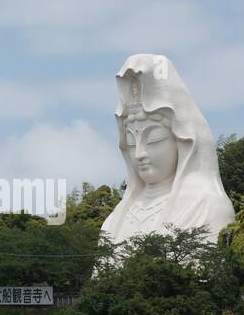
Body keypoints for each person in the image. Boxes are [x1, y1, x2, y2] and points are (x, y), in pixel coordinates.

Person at [100, 54, 235, 250]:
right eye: (131, 144)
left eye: (153, 140)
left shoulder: (207, 206)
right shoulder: (112, 223)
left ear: (180, 139)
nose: (139, 154)